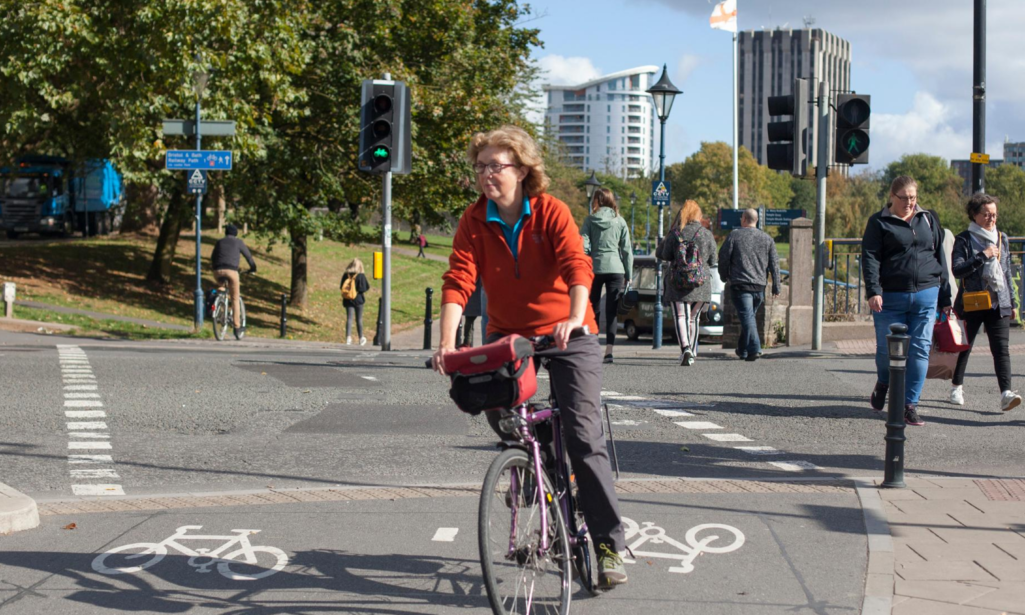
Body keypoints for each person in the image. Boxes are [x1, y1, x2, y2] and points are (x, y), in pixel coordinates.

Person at [432, 125, 628, 587]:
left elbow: (578, 266)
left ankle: (608, 545)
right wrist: (446, 343)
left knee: (582, 434)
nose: (486, 175)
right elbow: (459, 281)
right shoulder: (474, 220)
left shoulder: (550, 211)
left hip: (569, 333)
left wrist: (574, 316)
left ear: (521, 169)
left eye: (495, 166)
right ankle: (537, 468)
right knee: (498, 410)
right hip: (509, 335)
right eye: (480, 167)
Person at [862, 175, 950, 426]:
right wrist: (873, 291)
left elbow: (939, 255)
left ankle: (909, 404)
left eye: (913, 197)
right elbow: (870, 258)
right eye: (904, 198)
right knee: (885, 351)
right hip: (889, 297)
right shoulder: (878, 222)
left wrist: (945, 295)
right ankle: (884, 380)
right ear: (892, 197)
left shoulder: (928, 218)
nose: (910, 203)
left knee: (920, 350)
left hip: (926, 293)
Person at [949, 193, 1021, 411]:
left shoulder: (1002, 237)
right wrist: (983, 255)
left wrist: (1013, 302)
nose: (991, 218)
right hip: (972, 302)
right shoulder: (964, 239)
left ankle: (1006, 393)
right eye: (986, 214)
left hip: (998, 301)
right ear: (974, 215)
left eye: (994, 214)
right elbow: (958, 269)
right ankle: (956, 386)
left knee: (1001, 349)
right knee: (965, 346)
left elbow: (1006, 272)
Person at [659, 200, 717, 366]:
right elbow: (713, 260)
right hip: (701, 282)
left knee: (681, 315)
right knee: (694, 317)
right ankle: (692, 351)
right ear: (698, 215)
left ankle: (685, 348)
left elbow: (665, 255)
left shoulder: (676, 233)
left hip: (678, 281)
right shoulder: (706, 234)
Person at [717, 208, 780, 362]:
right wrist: (776, 286)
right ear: (756, 220)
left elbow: (723, 258)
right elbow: (774, 264)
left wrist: (724, 276)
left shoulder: (734, 236)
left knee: (748, 318)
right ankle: (742, 350)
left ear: (744, 219)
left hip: (740, 285)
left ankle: (755, 349)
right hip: (759, 286)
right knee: (748, 318)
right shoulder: (767, 239)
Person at [580, 188, 633, 364]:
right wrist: (629, 274)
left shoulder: (590, 220)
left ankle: (593, 347)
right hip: (616, 269)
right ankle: (609, 351)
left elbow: (583, 245)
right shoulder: (620, 221)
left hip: (594, 268)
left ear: (596, 200)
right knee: (612, 311)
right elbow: (626, 250)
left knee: (593, 308)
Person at [211, 224, 257, 340]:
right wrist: (253, 268)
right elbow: (248, 256)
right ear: (236, 233)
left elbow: (213, 257)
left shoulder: (219, 242)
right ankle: (237, 327)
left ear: (226, 232)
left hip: (217, 270)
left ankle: (220, 309)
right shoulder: (238, 242)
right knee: (235, 298)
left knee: (221, 288)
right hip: (232, 271)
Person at [340, 258, 371, 346]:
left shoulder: (346, 275)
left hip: (348, 299)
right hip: (358, 300)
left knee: (349, 318)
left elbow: (341, 287)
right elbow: (365, 288)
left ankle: (348, 338)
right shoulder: (361, 276)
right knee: (359, 319)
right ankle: (361, 338)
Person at [459, 277, 484, 348]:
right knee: (469, 320)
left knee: (470, 320)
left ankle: (467, 342)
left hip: (478, 289)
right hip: (476, 289)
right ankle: (467, 342)